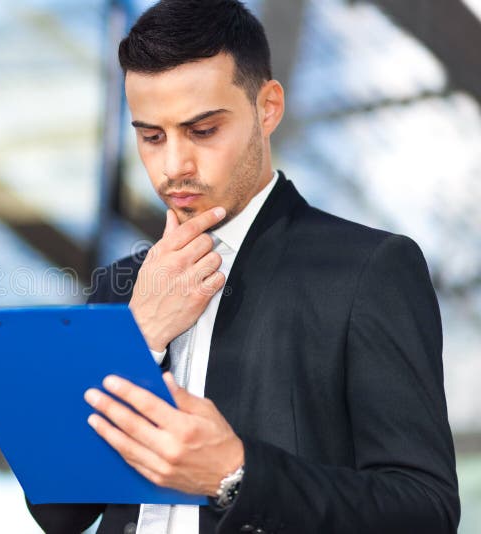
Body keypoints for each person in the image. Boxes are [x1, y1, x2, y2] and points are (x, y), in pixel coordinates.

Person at [26, 1, 460, 532]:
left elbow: (425, 511)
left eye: (203, 130)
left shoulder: (368, 271)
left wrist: (236, 474)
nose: (173, 166)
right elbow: (58, 514)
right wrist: (137, 337)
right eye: (151, 136)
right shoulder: (120, 288)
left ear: (268, 107)